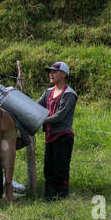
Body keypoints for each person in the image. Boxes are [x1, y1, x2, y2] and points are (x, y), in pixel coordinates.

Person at [36, 62, 78, 200]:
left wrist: (40, 121)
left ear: (64, 75)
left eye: (55, 72)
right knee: (48, 168)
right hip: (50, 135)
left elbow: (60, 116)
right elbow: (35, 107)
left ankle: (62, 196)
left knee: (60, 168)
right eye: (50, 71)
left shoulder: (69, 94)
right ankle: (49, 196)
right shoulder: (48, 92)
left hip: (63, 136)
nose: (51, 74)